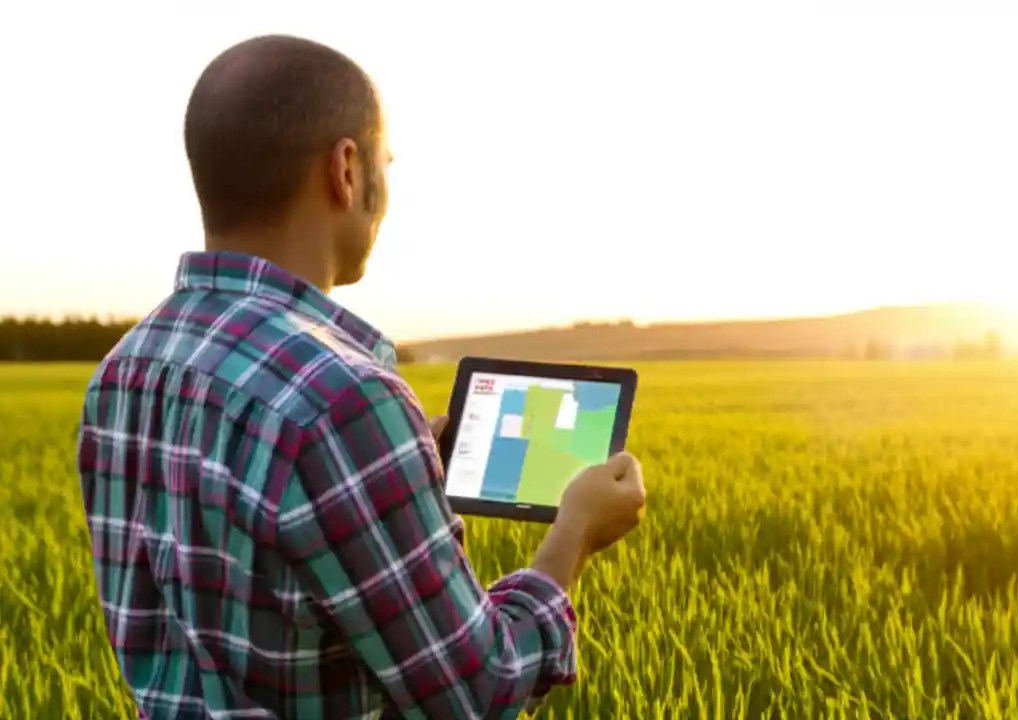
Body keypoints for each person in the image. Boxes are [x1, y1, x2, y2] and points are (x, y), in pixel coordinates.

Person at [75, 34, 646, 719]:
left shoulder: (124, 370)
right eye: (386, 162)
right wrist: (574, 533)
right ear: (346, 170)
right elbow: (475, 688)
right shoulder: (342, 400)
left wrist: (397, 478)